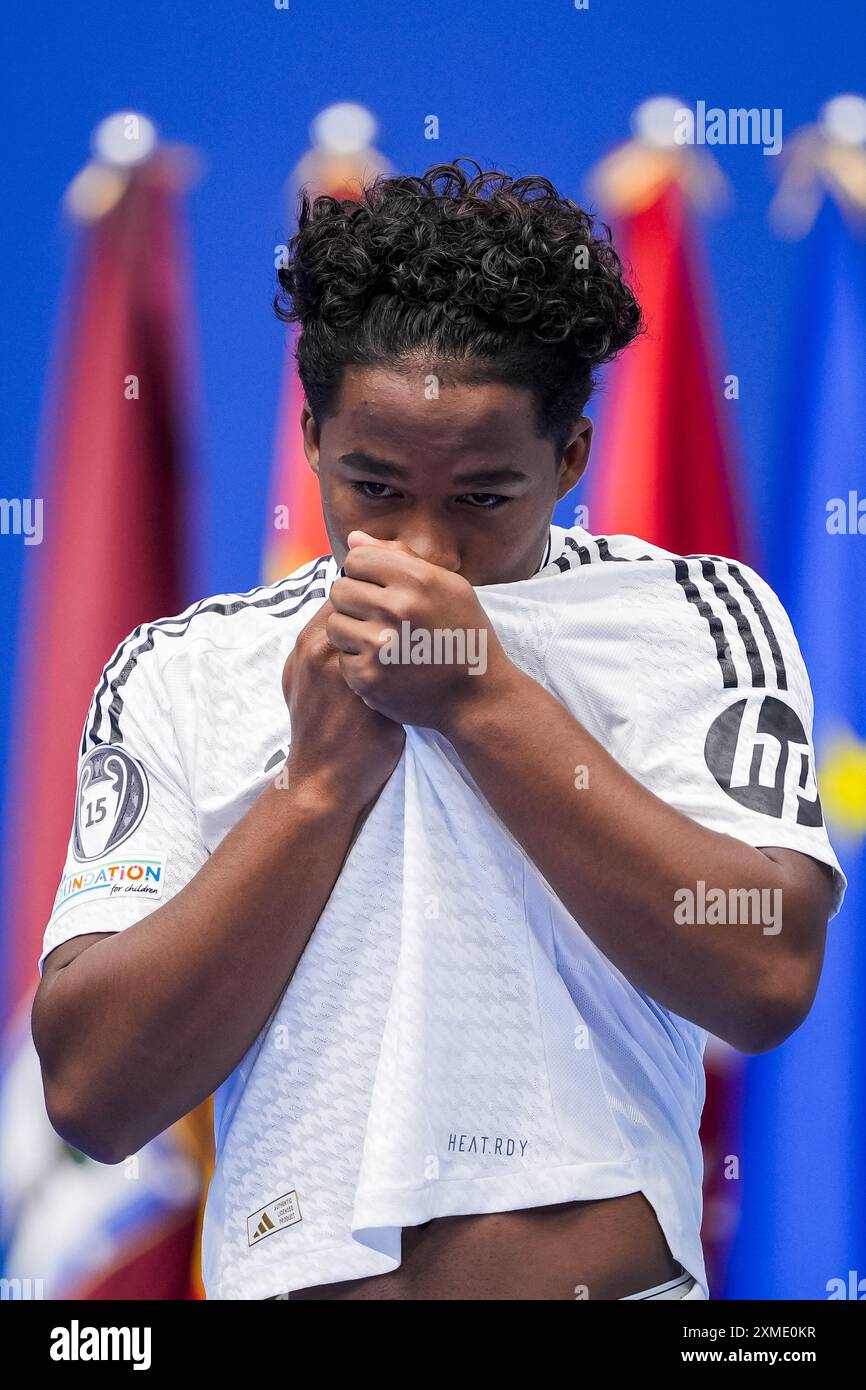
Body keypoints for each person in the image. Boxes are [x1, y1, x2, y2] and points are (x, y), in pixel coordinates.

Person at [32, 159, 845, 1301]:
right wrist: (311, 791)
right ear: (310, 439)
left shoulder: (687, 615)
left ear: (568, 460)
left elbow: (763, 968)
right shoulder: (182, 668)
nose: (422, 552)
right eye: (372, 486)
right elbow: (93, 1096)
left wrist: (479, 699)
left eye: (479, 498)